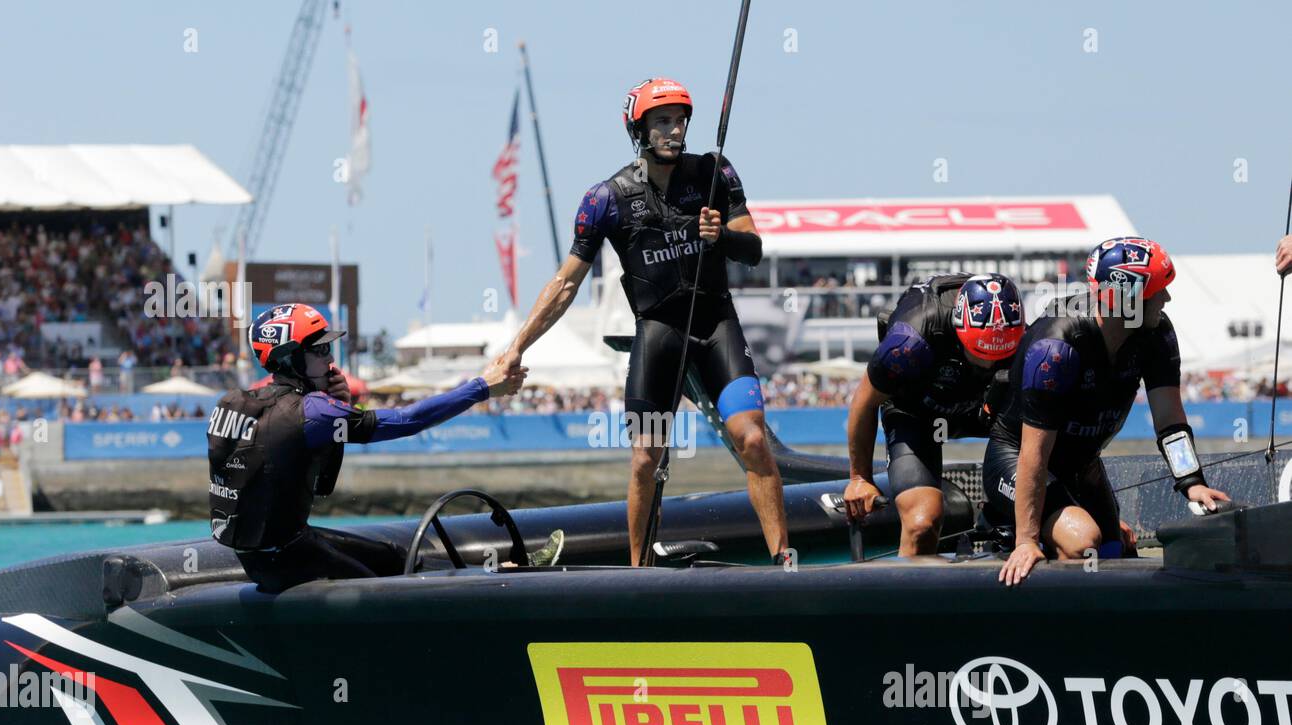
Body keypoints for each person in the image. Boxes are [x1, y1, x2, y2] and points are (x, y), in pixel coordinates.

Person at [494, 77, 789, 565]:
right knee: (646, 459)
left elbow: (753, 248)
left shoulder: (714, 173)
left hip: (715, 325)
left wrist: (723, 238)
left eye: (679, 121)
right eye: (662, 122)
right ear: (639, 130)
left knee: (753, 438)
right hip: (658, 333)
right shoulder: (606, 198)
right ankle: (639, 574)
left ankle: (784, 562)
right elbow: (566, 282)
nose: (674, 130)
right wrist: (517, 346)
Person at [208, 303, 530, 593]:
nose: (331, 358)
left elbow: (320, 485)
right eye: (320, 350)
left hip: (272, 551)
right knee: (389, 590)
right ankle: (495, 580)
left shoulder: (233, 403)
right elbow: (409, 420)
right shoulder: (312, 411)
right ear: (290, 358)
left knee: (395, 558)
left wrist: (339, 405)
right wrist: (482, 388)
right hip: (287, 559)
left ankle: (491, 573)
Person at [985, 237, 1231, 587]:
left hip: (1081, 462)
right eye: (1159, 291)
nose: (1167, 298)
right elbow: (1034, 455)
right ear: (1127, 298)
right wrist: (1026, 540)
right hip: (1018, 459)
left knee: (1116, 548)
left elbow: (1170, 422)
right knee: (1084, 541)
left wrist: (1192, 482)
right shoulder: (1055, 347)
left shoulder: (1156, 334)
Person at [844, 274, 1025, 555]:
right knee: (921, 524)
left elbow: (1050, 427)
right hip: (916, 410)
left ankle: (1002, 520)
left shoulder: (1029, 341)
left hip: (985, 409)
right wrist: (860, 479)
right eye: (979, 353)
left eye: (999, 355)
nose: (989, 363)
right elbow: (863, 403)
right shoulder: (909, 340)